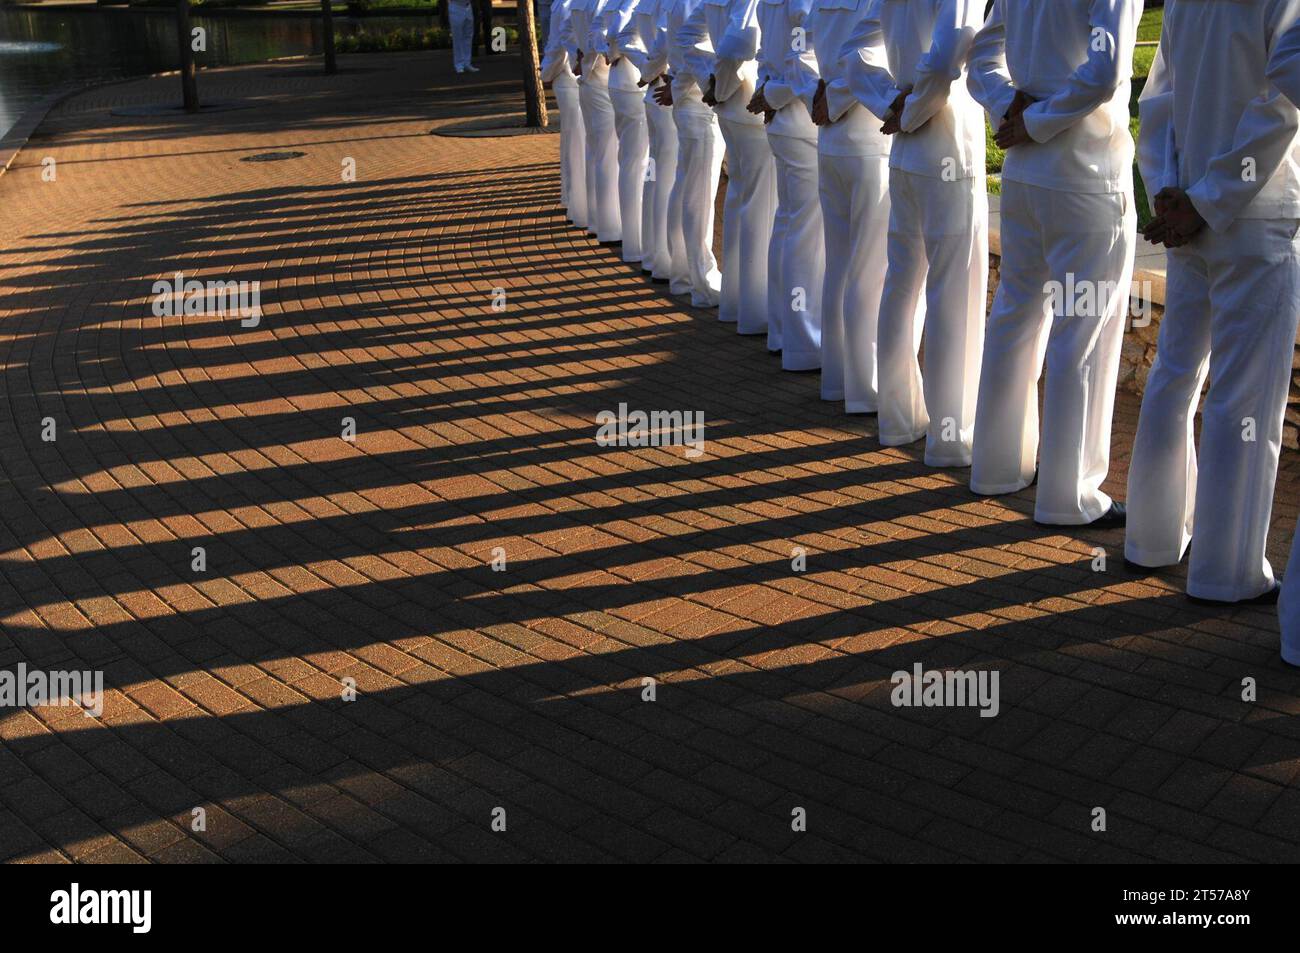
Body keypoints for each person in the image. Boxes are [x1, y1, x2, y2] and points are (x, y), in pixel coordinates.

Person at [1126, 0, 1300, 608]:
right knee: (1244, 397)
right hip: (1250, 214)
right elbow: (1282, 100)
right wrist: (1205, 198)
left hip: (1192, 204)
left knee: (1176, 372)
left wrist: (1171, 190)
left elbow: (1158, 98)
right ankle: (1227, 571)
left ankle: (1150, 536)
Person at [967, 0, 1141, 526]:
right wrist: (1034, 119)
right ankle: (1072, 495)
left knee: (1017, 314)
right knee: (1082, 333)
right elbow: (1106, 72)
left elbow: (981, 56)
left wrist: (1008, 108)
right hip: (1083, 174)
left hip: (1027, 173)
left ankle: (997, 465)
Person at [841, 0, 985, 451]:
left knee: (902, 286)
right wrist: (909, 108)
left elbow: (855, 54)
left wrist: (892, 103)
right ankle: (952, 436)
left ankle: (898, 420)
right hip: (944, 146)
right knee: (953, 295)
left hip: (905, 149)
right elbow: (949, 54)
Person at [801, 0, 891, 412]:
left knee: (839, 264)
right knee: (867, 271)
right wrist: (833, 97)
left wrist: (819, 97)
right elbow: (861, 59)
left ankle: (836, 378)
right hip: (867, 139)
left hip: (832, 137)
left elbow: (802, 53)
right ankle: (862, 388)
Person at [682, 0, 777, 333]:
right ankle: (756, 310)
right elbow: (741, 42)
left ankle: (737, 302)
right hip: (748, 102)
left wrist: (712, 83)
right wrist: (718, 84)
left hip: (731, 106)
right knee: (762, 210)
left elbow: (687, 38)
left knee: (740, 202)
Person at [750, 0, 824, 371]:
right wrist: (774, 93)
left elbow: (770, 53)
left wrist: (768, 89)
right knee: (803, 233)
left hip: (784, 117)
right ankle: (804, 341)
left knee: (789, 224)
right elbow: (801, 56)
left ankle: (783, 331)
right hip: (798, 116)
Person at [654, 0, 726, 307]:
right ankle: (703, 283)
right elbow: (687, 49)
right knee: (699, 196)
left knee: (686, 189)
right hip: (699, 104)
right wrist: (708, 82)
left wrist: (679, 85)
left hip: (690, 103)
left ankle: (683, 275)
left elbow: (675, 47)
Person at [616, 0, 689, 285]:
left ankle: (652, 256)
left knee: (655, 176)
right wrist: (654, 69)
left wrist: (646, 69)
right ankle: (663, 259)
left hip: (655, 93)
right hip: (667, 94)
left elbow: (623, 37)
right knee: (667, 179)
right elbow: (666, 45)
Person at [570, 0, 624, 242]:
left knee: (596, 153)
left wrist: (581, 60)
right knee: (607, 156)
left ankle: (598, 220)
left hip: (591, 80)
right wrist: (602, 56)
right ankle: (610, 226)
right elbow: (599, 37)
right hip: (600, 79)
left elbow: (569, 36)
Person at [604, 0, 652, 263]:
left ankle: (632, 240)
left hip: (619, 81)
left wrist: (608, 52)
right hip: (634, 83)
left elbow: (600, 36)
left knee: (632, 164)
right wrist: (649, 66)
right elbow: (615, 33)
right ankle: (637, 245)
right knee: (639, 166)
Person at [541, 0, 590, 230]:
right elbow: (560, 42)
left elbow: (557, 44)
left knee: (576, 141)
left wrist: (546, 73)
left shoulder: (564, 4)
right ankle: (578, 204)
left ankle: (577, 203)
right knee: (577, 141)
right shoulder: (564, 4)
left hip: (570, 76)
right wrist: (547, 73)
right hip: (571, 77)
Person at [450, 0, 479, 74]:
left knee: (468, 36)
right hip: (456, 6)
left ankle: (467, 63)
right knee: (457, 37)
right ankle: (459, 65)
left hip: (468, 6)